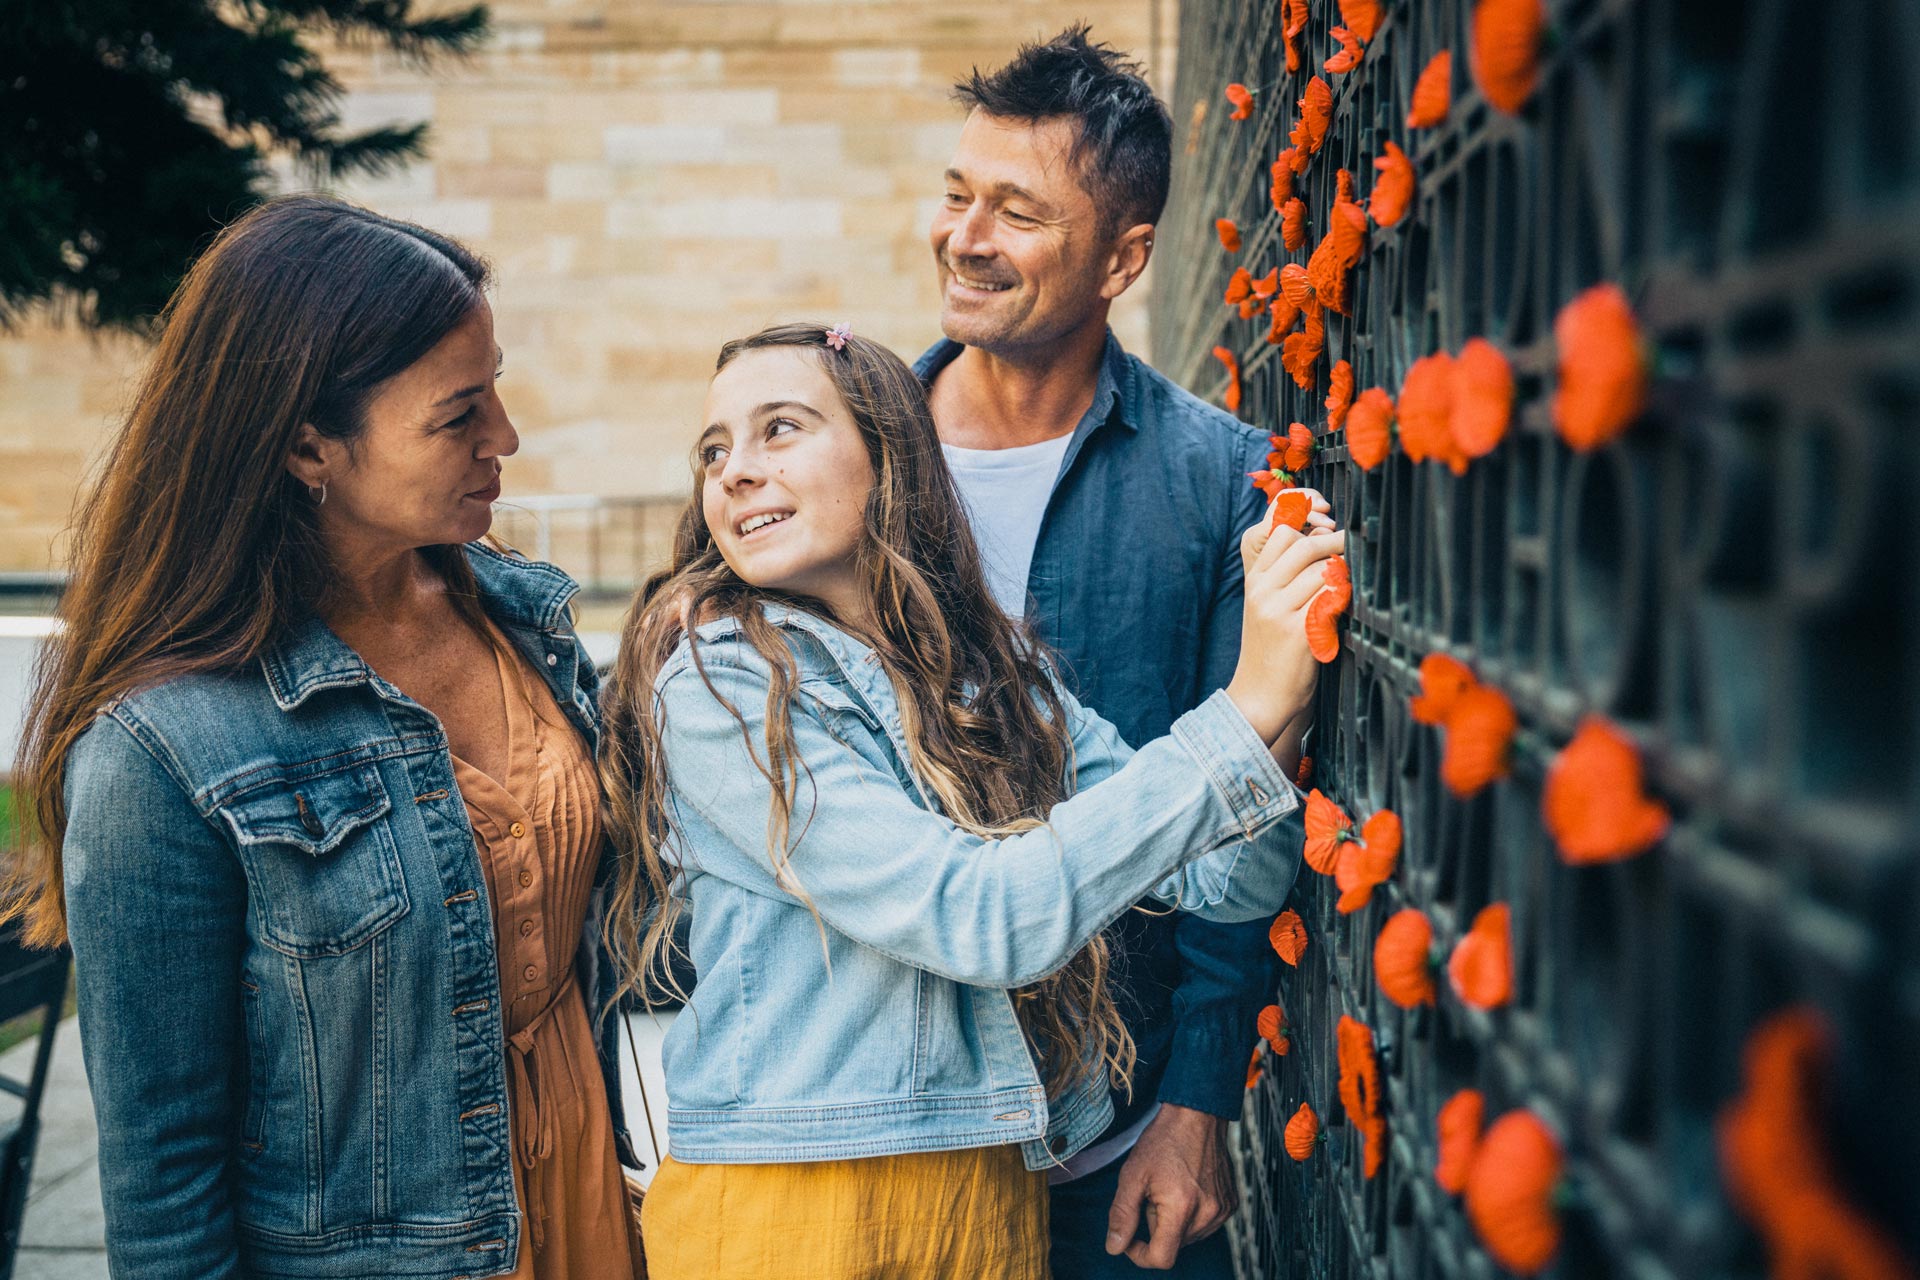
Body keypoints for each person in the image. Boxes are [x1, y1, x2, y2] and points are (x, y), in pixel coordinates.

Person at [597, 321, 1343, 1278]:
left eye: (780, 429)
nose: (735, 470)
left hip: (985, 1202)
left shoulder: (995, 675)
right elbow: (979, 916)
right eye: (715, 449)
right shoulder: (719, 685)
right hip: (792, 1213)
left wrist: (1280, 706)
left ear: (889, 454)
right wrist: (1243, 715)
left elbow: (1225, 882)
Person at [4, 196, 643, 1279]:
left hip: (607, 1214)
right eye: (459, 414)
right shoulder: (162, 747)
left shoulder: (525, 615)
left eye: (495, 386)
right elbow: (165, 1182)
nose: (506, 437)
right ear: (309, 443)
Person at [917, 27, 1317, 1275]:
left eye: (1017, 211)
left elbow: (1246, 815)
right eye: (956, 193)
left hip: (1117, 1133)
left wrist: (1195, 1106)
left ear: (1125, 257)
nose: (965, 237)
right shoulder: (850, 461)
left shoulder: (1221, 479)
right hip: (883, 1126)